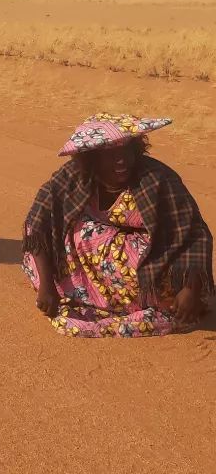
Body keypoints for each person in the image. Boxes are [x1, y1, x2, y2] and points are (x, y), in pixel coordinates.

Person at [23, 113, 214, 337]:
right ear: (92, 159)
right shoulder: (71, 177)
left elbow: (193, 234)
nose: (121, 161)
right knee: (78, 234)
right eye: (111, 155)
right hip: (95, 272)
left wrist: (191, 289)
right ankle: (86, 296)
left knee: (94, 236)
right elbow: (37, 225)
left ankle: (154, 303)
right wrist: (47, 286)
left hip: (151, 270)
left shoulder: (157, 179)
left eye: (127, 152)